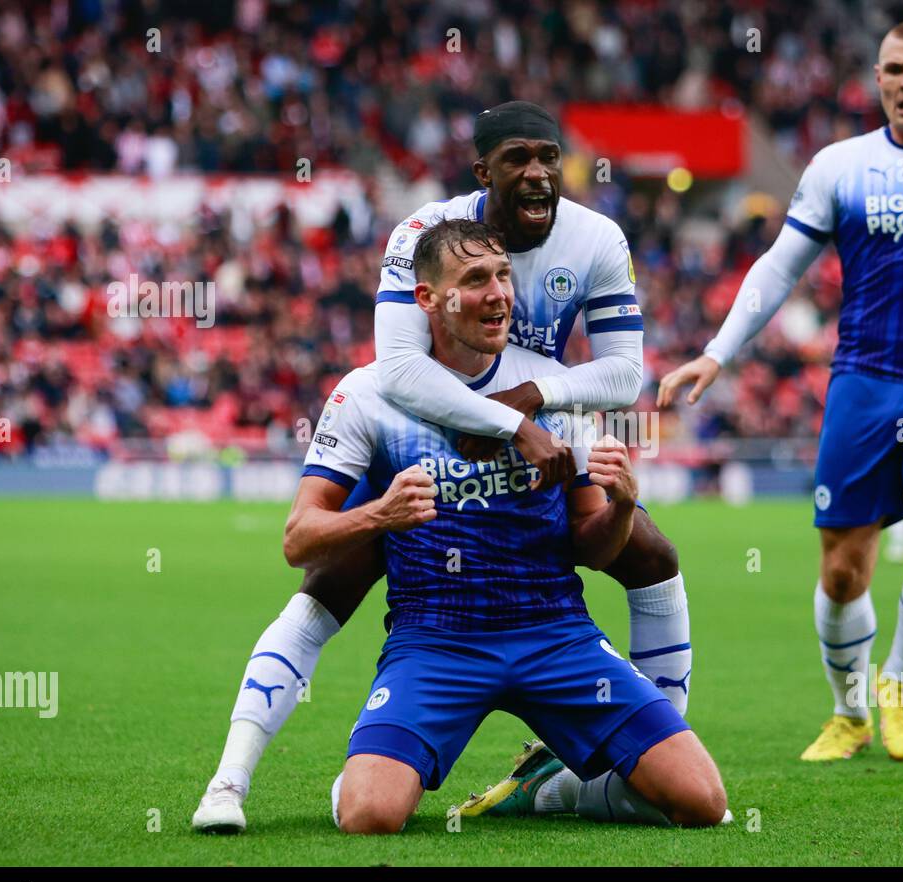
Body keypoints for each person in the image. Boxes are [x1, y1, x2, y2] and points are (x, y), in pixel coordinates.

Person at [194, 102, 692, 832]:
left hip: (536, 426)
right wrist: (507, 423)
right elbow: (398, 369)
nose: (538, 173)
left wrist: (530, 401)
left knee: (649, 550)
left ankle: (639, 753)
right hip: (427, 432)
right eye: (519, 158)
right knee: (331, 578)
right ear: (483, 172)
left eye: (549, 157)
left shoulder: (596, 239)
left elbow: (623, 374)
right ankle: (229, 780)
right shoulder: (423, 236)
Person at [659, 18, 903, 762]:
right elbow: (778, 268)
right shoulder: (841, 166)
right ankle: (849, 712)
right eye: (895, 69)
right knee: (842, 572)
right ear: (877, 76)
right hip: (863, 387)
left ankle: (897, 681)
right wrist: (717, 353)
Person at [288, 218, 725, 831]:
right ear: (427, 299)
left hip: (555, 635)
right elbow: (296, 540)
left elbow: (592, 547)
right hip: (437, 640)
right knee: (370, 817)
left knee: (704, 804)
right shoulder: (376, 394)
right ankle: (373, 768)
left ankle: (554, 787)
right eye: (474, 280)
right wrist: (380, 513)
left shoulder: (551, 388)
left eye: (502, 276)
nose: (498, 293)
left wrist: (624, 505)